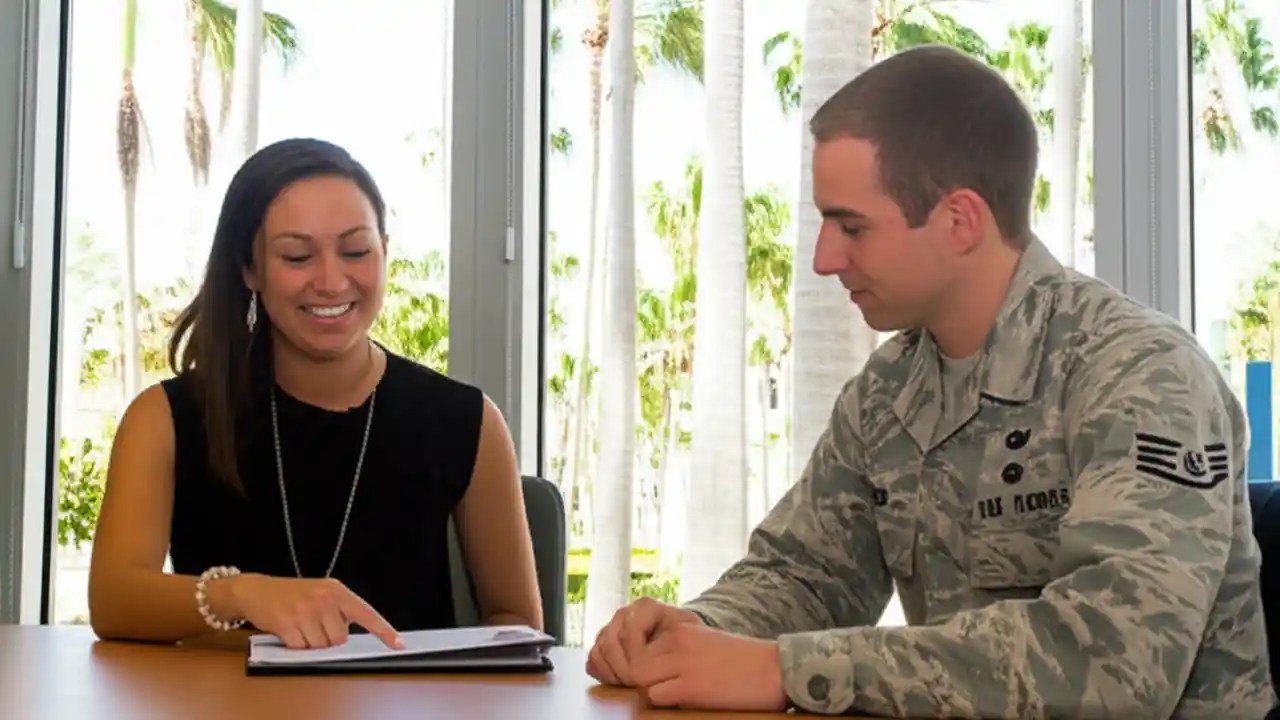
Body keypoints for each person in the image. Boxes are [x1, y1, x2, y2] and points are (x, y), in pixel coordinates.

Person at [586, 44, 1276, 719]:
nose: (825, 258)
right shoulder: (886, 393)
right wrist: (692, 634)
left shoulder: (1142, 374)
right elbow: (806, 576)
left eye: (851, 226)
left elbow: (1115, 664)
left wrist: (789, 669)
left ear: (959, 220)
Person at [88, 138, 542, 650]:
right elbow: (113, 600)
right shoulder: (164, 417)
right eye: (297, 256)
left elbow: (517, 625)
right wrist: (242, 594)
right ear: (249, 268)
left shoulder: (467, 420)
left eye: (356, 252)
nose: (330, 281)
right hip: (224, 694)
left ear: (384, 251)